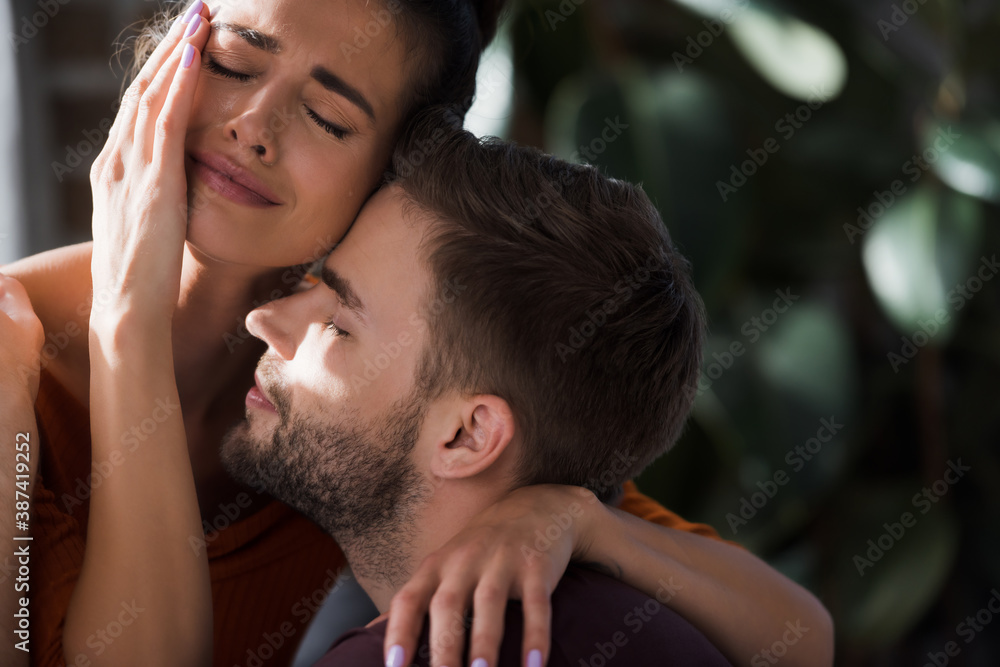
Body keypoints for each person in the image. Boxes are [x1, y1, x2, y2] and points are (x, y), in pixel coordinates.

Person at [0, 1, 834, 666]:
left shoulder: (362, 395)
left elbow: (800, 636)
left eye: (327, 116)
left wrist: (580, 520)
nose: (253, 124)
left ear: (397, 174)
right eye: (230, 61)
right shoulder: (11, 362)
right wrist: (126, 323)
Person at [225, 109, 736, 667]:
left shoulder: (395, 656)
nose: (265, 318)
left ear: (468, 435)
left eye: (338, 325)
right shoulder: (672, 627)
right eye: (311, 281)